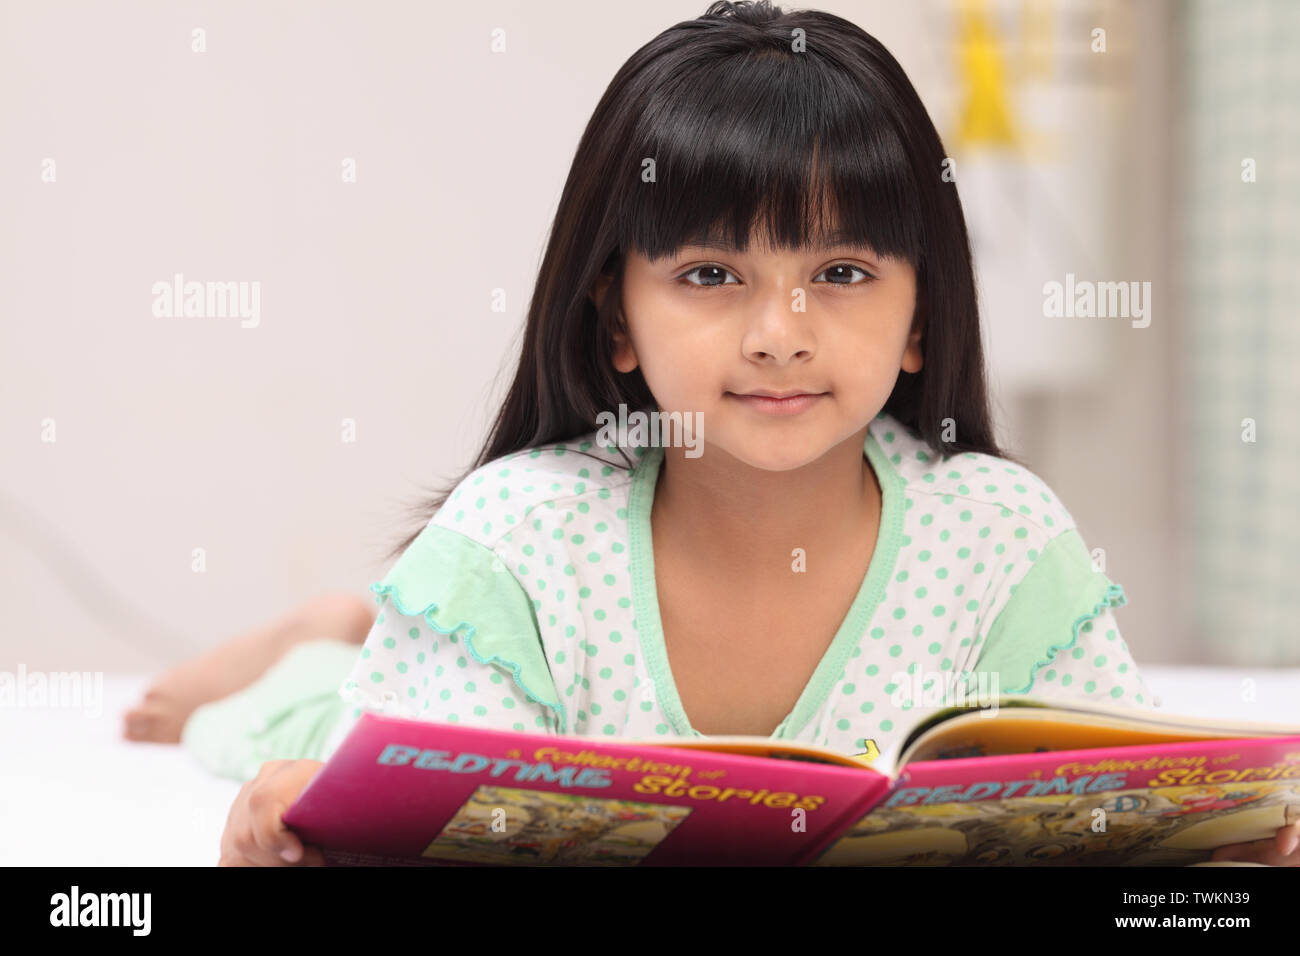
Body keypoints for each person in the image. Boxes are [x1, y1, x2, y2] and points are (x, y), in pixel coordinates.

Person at [123, 0, 1300, 867]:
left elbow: (1122, 809)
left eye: (839, 270)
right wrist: (283, 831)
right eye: (708, 273)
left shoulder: (998, 532)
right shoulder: (517, 543)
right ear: (616, 320)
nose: (779, 334)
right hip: (408, 667)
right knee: (278, 725)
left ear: (917, 319)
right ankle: (328, 636)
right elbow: (398, 828)